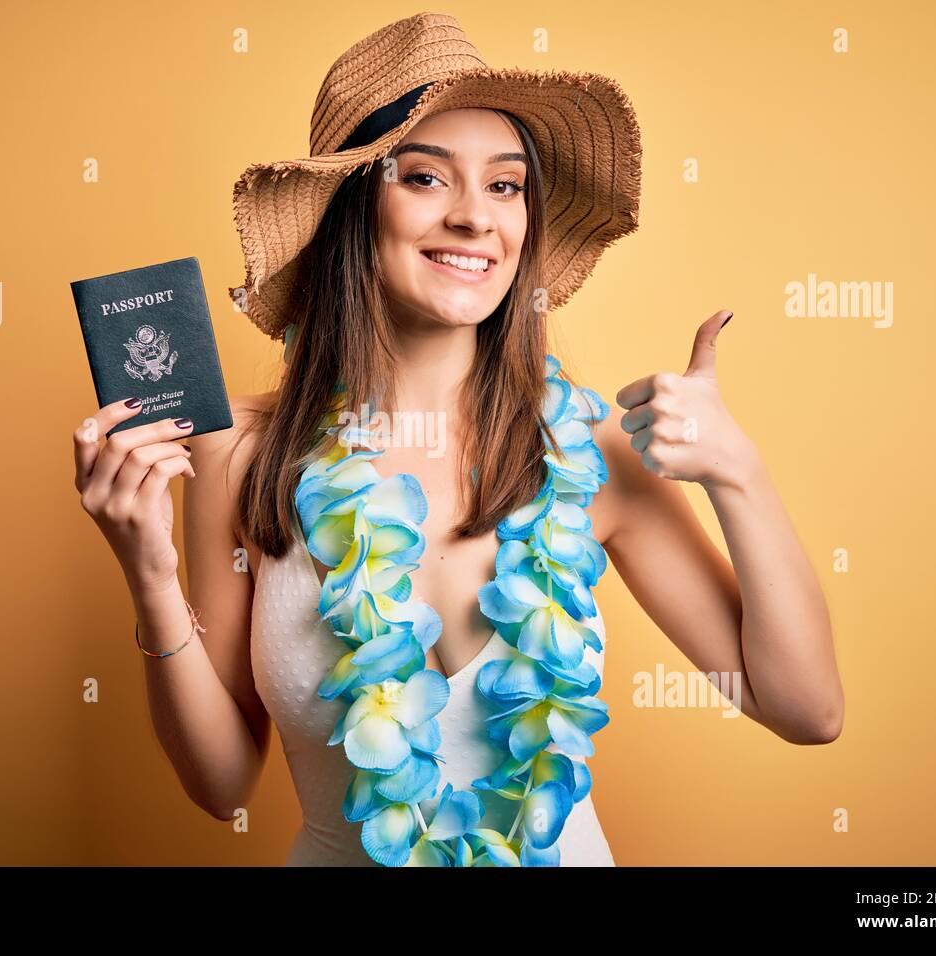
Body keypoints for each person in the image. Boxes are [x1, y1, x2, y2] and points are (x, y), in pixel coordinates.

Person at [71, 13, 843, 867]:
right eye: (427, 179)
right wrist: (148, 575)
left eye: (506, 186)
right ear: (353, 210)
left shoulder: (587, 451)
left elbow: (807, 712)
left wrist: (739, 476)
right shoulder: (245, 451)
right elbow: (221, 787)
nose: (476, 218)